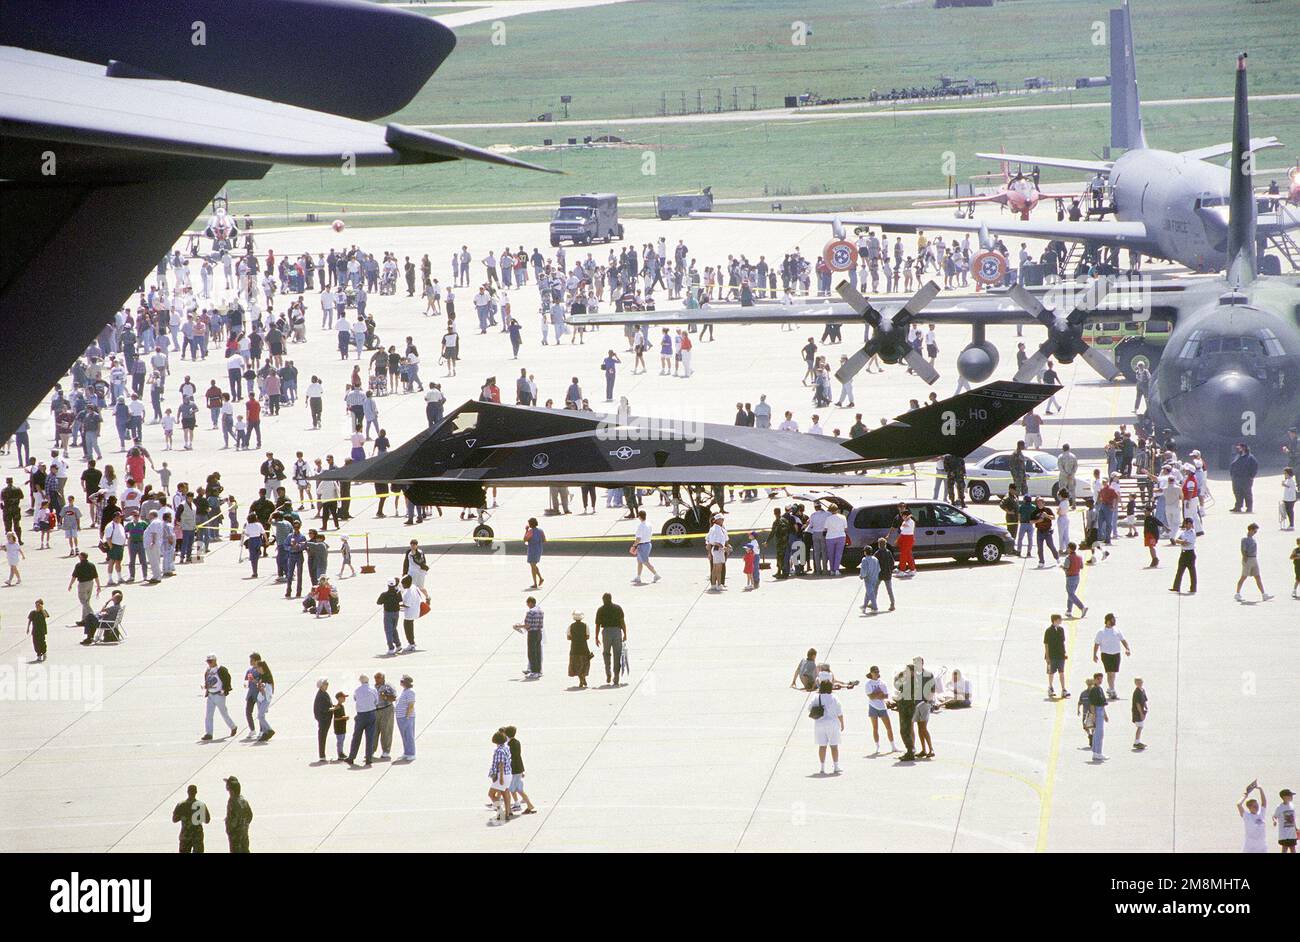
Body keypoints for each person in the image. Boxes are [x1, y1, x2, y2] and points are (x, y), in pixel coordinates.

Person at [1092, 613, 1130, 699]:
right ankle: (1112, 689)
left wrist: (1127, 649)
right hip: (1106, 654)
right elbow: (1096, 644)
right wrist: (1094, 655)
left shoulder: (1117, 630)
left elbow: (1123, 640)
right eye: (1113, 619)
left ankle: (1110, 688)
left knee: (1113, 672)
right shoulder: (1101, 632)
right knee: (1110, 672)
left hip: (1116, 654)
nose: (1115, 621)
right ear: (1108, 621)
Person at [810, 679, 844, 774]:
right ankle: (836, 766)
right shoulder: (834, 698)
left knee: (822, 746)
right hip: (832, 723)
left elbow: (809, 708)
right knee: (834, 746)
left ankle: (822, 767)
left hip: (820, 724)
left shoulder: (816, 697)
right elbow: (839, 712)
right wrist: (842, 723)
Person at [201, 654, 238, 740]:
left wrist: (225, 690)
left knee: (224, 713)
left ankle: (233, 727)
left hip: (219, 695)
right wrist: (205, 686)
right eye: (208, 662)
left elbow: (227, 679)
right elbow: (207, 680)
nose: (209, 663)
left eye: (210, 661)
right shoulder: (208, 670)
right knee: (208, 715)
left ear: (215, 661)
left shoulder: (221, 669)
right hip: (210, 695)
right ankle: (209, 733)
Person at [502, 726, 536, 815]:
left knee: (510, 789)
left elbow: (512, 759)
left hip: (514, 770)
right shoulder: (517, 742)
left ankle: (510, 809)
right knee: (518, 789)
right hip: (519, 769)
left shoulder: (509, 745)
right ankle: (529, 805)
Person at [1234, 523, 1273, 602]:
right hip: (1248, 559)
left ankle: (1264, 594)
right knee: (1243, 576)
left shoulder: (1253, 539)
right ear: (1251, 530)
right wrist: (1245, 558)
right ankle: (1237, 593)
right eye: (1255, 531)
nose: (1255, 532)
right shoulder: (1245, 539)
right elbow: (1243, 550)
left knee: (1258, 577)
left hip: (1254, 559)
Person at [595, 592, 626, 686]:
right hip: (617, 632)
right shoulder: (618, 608)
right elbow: (622, 622)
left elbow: (598, 625)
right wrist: (625, 633)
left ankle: (608, 672)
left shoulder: (600, 610)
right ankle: (616, 676)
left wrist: (596, 637)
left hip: (606, 632)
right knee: (617, 654)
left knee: (606, 653)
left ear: (603, 600)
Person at [347, 674, 379, 767]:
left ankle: (351, 757)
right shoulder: (373, 689)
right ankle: (368, 759)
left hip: (361, 715)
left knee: (356, 736)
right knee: (370, 737)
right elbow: (376, 701)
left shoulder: (357, 690)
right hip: (371, 713)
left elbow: (355, 699)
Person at [864, 665, 896, 753]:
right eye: (875, 672)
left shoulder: (882, 683)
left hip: (882, 707)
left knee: (888, 727)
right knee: (875, 728)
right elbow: (871, 697)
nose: (876, 673)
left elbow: (885, 695)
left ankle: (893, 746)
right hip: (872, 707)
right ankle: (877, 746)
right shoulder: (868, 683)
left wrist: (877, 695)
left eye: (877, 672)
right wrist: (879, 694)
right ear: (871, 673)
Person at [172, 784, 210, 854]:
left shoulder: (181, 805)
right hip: (197, 836)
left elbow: (174, 819)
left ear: (187, 792)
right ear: (196, 792)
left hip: (185, 835)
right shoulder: (201, 805)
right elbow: (207, 820)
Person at [515, 596, 544, 679]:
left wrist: (518, 626)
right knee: (538, 652)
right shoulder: (540, 611)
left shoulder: (530, 612)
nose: (527, 605)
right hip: (539, 632)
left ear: (530, 603)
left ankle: (534, 671)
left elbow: (527, 625)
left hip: (532, 633)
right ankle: (538, 671)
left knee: (532, 653)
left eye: (527, 603)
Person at [488, 730, 513, 823]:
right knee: (505, 793)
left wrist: (501, 777)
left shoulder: (499, 750)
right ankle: (507, 812)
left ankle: (500, 811)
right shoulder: (506, 747)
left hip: (501, 775)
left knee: (491, 794)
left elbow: (501, 764)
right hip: (508, 773)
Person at [223, 776, 253, 853]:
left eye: (228, 788)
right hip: (244, 832)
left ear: (232, 790)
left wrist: (230, 829)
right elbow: (250, 815)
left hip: (236, 835)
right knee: (245, 850)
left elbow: (234, 818)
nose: (227, 789)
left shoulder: (232, 802)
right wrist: (244, 825)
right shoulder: (243, 800)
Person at [1044, 613, 1069, 699]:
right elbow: (1046, 644)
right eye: (1059, 619)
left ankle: (1063, 689)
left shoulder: (1061, 630)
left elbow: (1062, 642)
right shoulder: (1048, 631)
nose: (1061, 620)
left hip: (1060, 654)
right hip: (1052, 655)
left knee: (1061, 672)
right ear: (1055, 620)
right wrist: (1047, 656)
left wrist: (1065, 652)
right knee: (1051, 672)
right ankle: (1050, 687)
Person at [1238, 781, 1268, 853]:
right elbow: (1239, 804)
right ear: (1249, 807)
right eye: (1254, 806)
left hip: (1262, 845)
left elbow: (1264, 803)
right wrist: (1244, 796)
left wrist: (1260, 789)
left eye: (1257, 805)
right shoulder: (1247, 816)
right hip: (1250, 846)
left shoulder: (1261, 814)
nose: (1257, 807)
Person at [373, 671, 397, 760]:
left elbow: (394, 697)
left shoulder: (388, 686)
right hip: (375, 710)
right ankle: (371, 750)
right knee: (374, 731)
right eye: (375, 678)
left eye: (378, 678)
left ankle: (386, 751)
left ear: (383, 678)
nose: (376, 680)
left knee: (386, 730)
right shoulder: (373, 687)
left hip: (386, 709)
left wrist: (385, 697)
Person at [399, 575, 427, 652]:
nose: (403, 586)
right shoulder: (413, 586)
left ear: (406, 584)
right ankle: (412, 643)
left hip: (409, 614)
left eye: (403, 584)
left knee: (408, 629)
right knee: (410, 627)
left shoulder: (407, 593)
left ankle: (411, 644)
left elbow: (407, 605)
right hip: (416, 610)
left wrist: (397, 606)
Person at [631, 510, 660, 584]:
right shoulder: (649, 524)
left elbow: (638, 538)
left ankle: (656, 574)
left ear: (639, 517)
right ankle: (638, 577)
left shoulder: (640, 526)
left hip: (642, 545)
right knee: (639, 561)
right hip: (648, 544)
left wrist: (634, 546)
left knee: (645, 562)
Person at [1085, 672, 1108, 761]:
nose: (1100, 680)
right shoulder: (1094, 690)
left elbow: (1102, 704)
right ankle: (1098, 752)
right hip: (1097, 711)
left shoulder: (1100, 689)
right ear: (1095, 679)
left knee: (1098, 733)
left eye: (1101, 679)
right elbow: (1092, 704)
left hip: (1101, 710)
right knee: (1099, 733)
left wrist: (1105, 715)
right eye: (1098, 679)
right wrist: (1094, 715)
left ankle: (1096, 752)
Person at [566, 610, 593, 689]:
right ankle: (583, 677)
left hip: (574, 648)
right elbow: (587, 637)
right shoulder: (585, 626)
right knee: (584, 664)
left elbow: (568, 637)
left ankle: (581, 679)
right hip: (584, 648)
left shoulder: (571, 626)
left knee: (576, 665)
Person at [1171, 517, 1197, 594]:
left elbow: (1188, 543)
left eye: (1189, 523)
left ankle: (1193, 588)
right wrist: (1182, 541)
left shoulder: (1192, 532)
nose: (1187, 525)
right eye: (1186, 523)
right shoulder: (1183, 532)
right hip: (1183, 553)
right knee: (1179, 571)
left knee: (1192, 572)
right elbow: (1176, 540)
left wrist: (1181, 542)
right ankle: (1176, 587)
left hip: (1190, 553)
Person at [1062, 542, 1086, 617]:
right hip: (1077, 577)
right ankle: (1069, 610)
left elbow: (1066, 567)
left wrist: (1061, 567)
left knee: (1071, 594)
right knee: (1071, 594)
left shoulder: (1068, 558)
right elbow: (1081, 567)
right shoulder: (1079, 557)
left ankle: (1082, 607)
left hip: (1070, 577)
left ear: (1070, 549)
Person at [313, 678, 333, 762]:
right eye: (325, 683)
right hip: (323, 719)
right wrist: (334, 708)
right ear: (321, 686)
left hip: (325, 719)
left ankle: (322, 755)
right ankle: (322, 755)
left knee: (323, 737)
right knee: (322, 737)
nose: (327, 685)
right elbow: (324, 708)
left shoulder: (324, 693)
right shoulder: (321, 695)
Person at [524, 517, 545, 589]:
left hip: (532, 549)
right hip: (539, 549)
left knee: (532, 566)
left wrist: (526, 530)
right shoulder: (541, 530)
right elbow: (544, 540)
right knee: (533, 565)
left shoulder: (530, 531)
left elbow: (525, 539)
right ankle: (540, 578)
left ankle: (535, 583)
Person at [1274, 788, 1297, 853]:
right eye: (1290, 795)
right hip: (1284, 834)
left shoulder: (1292, 805)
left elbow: (1293, 819)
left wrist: (1296, 828)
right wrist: (1274, 821)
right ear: (1284, 797)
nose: (1292, 797)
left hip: (1292, 833)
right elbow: (1274, 816)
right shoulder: (1280, 807)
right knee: (1284, 848)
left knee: (1293, 848)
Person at [859, 544, 880, 612]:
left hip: (868, 578)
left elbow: (864, 570)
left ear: (865, 552)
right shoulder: (875, 559)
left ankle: (875, 607)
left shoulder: (864, 559)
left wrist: (862, 576)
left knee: (870, 592)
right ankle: (864, 606)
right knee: (868, 592)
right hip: (875, 577)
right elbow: (879, 569)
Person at [330, 690, 350, 761]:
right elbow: (336, 718)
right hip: (338, 727)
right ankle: (340, 754)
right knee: (340, 741)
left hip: (342, 726)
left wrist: (344, 718)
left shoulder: (341, 706)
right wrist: (344, 717)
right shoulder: (337, 706)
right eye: (343, 697)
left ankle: (341, 752)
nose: (344, 698)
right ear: (339, 698)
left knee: (342, 740)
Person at [1131, 677, 1148, 751]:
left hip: (1142, 710)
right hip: (1137, 712)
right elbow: (1137, 703)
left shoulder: (1142, 690)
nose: (1139, 683)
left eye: (1140, 682)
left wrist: (1145, 706)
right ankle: (1136, 742)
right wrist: (1141, 713)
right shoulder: (1137, 692)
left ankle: (1138, 741)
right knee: (1140, 726)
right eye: (1138, 682)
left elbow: (1144, 700)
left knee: (1141, 726)